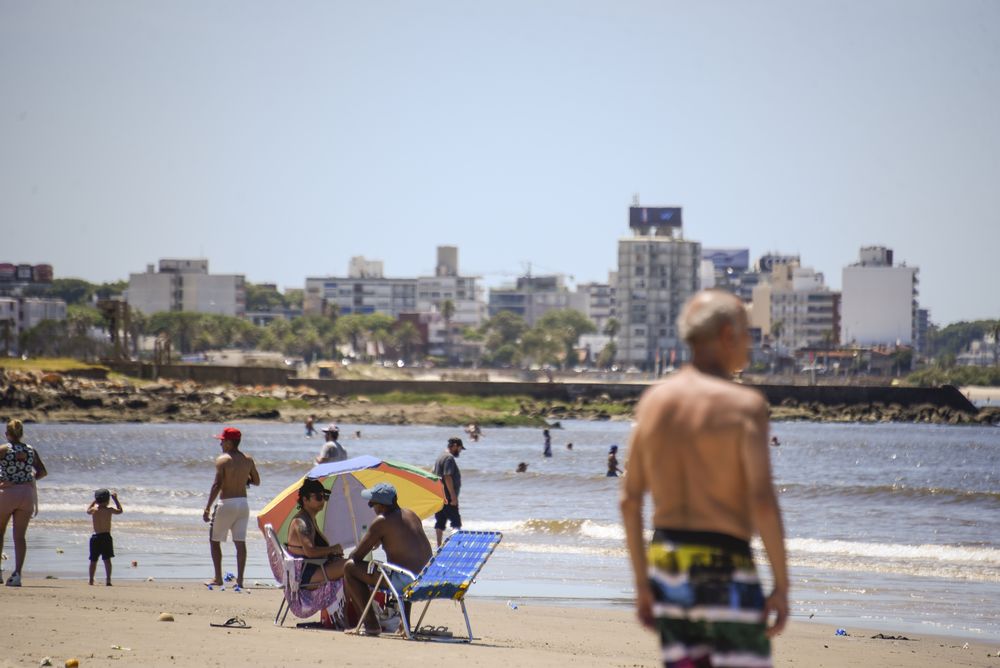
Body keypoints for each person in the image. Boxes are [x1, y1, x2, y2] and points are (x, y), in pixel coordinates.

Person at [620, 289, 789, 667]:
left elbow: (630, 501)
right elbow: (762, 500)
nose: (750, 343)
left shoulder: (654, 402)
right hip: (723, 561)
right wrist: (781, 584)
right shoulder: (744, 406)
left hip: (668, 562)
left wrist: (642, 585)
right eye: (748, 334)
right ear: (728, 335)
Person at [343, 482, 433, 636]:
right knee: (406, 566)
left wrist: (372, 541)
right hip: (426, 578)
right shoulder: (411, 514)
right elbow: (410, 553)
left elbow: (356, 557)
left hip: (406, 581)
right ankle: (404, 624)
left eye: (372, 504)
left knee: (349, 568)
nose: (372, 508)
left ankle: (371, 625)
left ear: (382, 506)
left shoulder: (382, 521)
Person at [202, 427, 260, 589]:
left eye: (222, 440)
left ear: (228, 443)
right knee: (240, 542)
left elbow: (217, 485)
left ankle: (218, 578)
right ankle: (240, 580)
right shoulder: (248, 459)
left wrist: (207, 508)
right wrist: (243, 479)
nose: (220, 443)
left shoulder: (223, 460)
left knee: (214, 540)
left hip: (226, 503)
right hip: (243, 504)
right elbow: (256, 481)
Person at [0, 418, 47, 587]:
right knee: (19, 537)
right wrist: (29, 478)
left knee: (0, 532)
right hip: (26, 493)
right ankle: (17, 574)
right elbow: (42, 472)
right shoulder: (30, 450)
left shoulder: (4, 449)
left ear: (7, 434)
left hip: (7, 493)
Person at [285, 478, 346, 585]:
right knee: (350, 566)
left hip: (315, 567)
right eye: (318, 497)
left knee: (352, 566)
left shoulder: (310, 518)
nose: (322, 501)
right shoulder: (302, 522)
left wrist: (332, 554)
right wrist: (332, 549)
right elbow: (310, 551)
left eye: (325, 496)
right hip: (305, 574)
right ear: (305, 499)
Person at [432, 437, 464, 547]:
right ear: (455, 446)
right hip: (448, 497)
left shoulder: (440, 457)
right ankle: (457, 546)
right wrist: (453, 496)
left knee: (440, 522)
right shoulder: (449, 458)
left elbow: (433, 475)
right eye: (459, 448)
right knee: (456, 522)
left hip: (439, 496)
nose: (459, 451)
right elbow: (447, 476)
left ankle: (438, 546)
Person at [87, 489, 123, 586]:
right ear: (108, 500)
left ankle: (91, 579)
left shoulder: (94, 510)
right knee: (107, 560)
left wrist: (94, 502)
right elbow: (120, 511)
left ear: (97, 500)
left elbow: (87, 511)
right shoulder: (109, 510)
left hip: (95, 537)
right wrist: (116, 499)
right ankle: (108, 580)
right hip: (106, 537)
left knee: (93, 560)